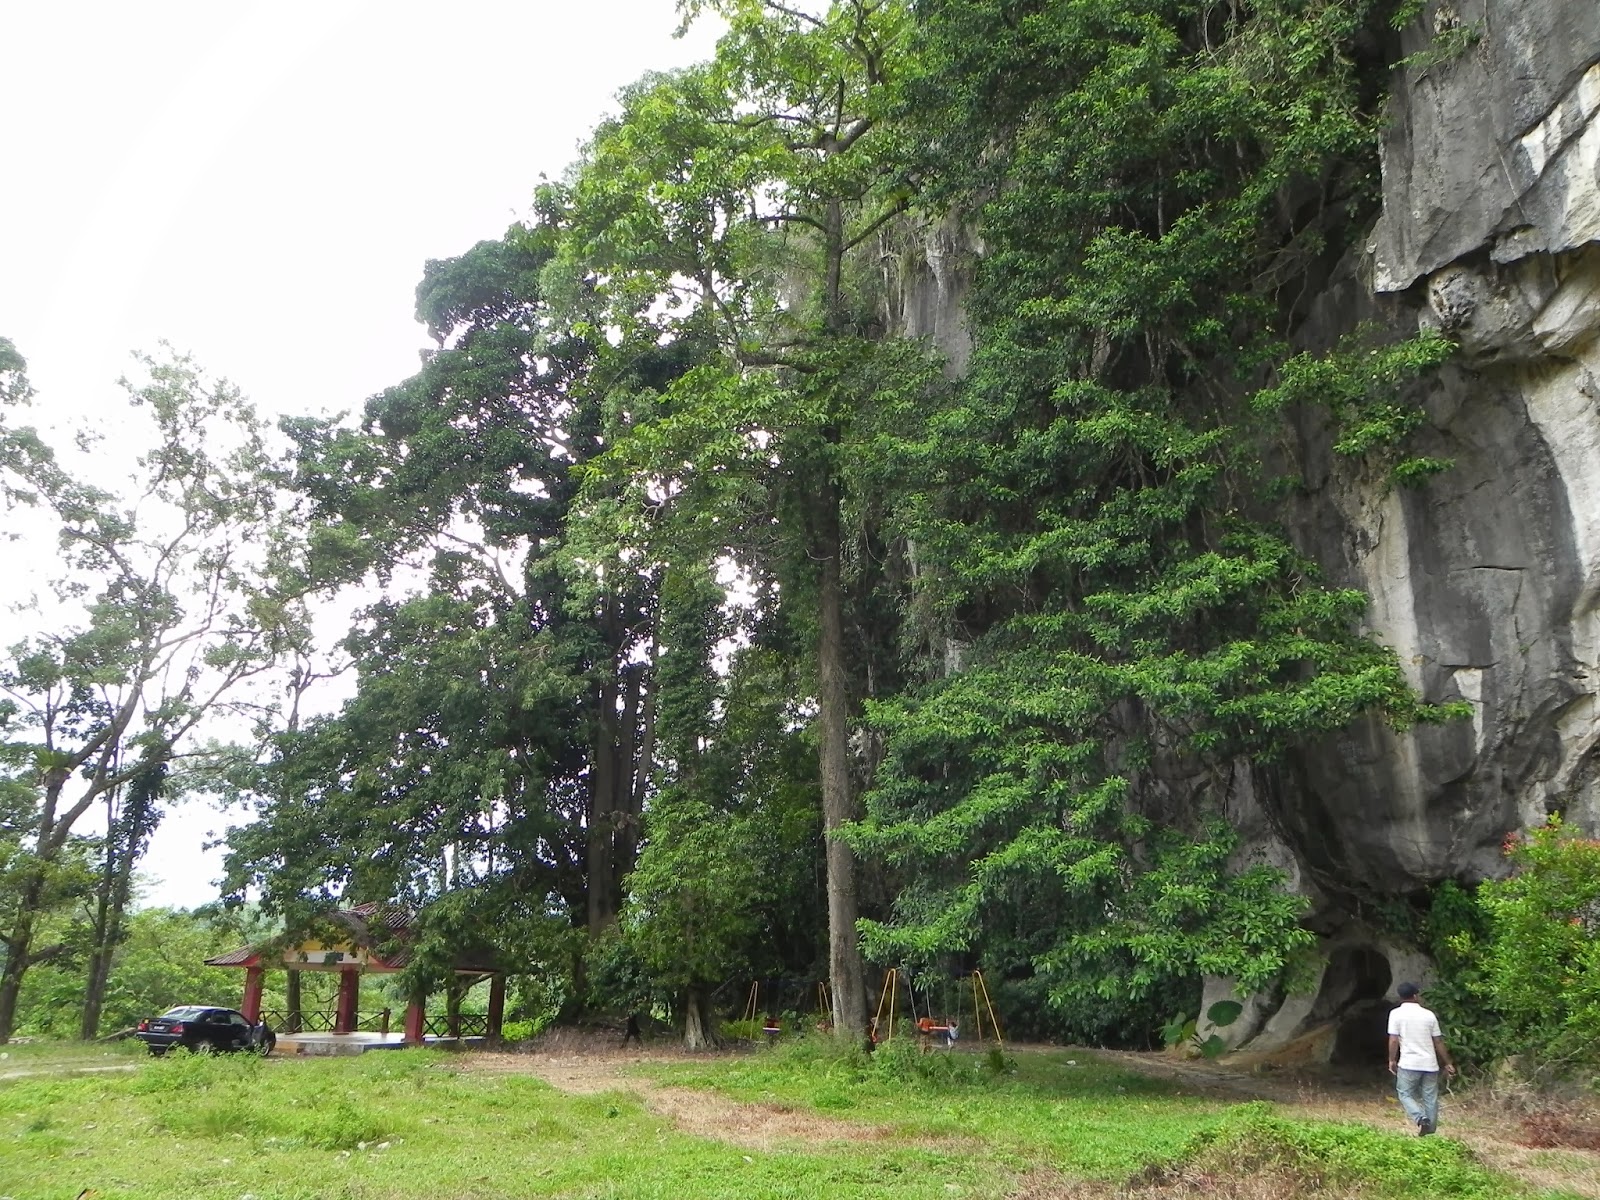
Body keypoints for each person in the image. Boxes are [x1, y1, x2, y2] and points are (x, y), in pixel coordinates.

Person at [1386, 981, 1456, 1135]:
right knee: (1430, 1097)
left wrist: (1392, 1059)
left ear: (1401, 997)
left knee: (1404, 1093)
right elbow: (1438, 1041)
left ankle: (1420, 1117)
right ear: (1415, 996)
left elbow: (1393, 1039)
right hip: (1430, 1065)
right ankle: (1430, 1131)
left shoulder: (1396, 1014)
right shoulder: (1428, 1015)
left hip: (1409, 1064)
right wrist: (1448, 1062)